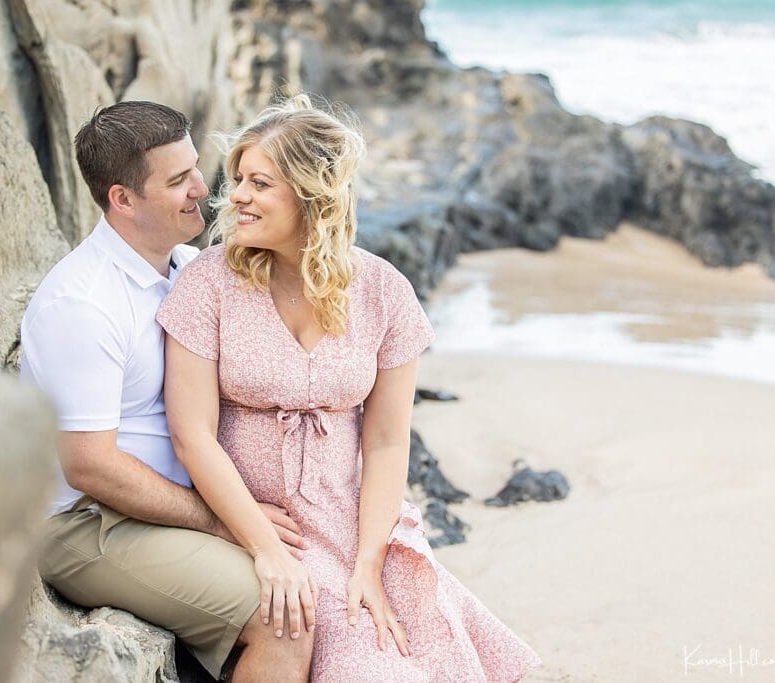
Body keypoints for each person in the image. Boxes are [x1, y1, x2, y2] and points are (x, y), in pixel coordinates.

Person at [156, 95, 544, 681]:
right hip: (257, 522)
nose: (235, 196)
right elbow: (192, 436)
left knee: (407, 645)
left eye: (259, 183)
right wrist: (263, 545)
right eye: (238, 179)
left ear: (313, 194)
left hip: (355, 522)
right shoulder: (209, 282)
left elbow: (388, 441)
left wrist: (371, 559)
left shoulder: (383, 291)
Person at [20, 101, 314, 681]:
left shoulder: (186, 266)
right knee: (285, 618)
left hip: (170, 505)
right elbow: (91, 468)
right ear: (122, 200)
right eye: (179, 180)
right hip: (87, 523)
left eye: (196, 169)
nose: (204, 190)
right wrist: (222, 520)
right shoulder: (82, 305)